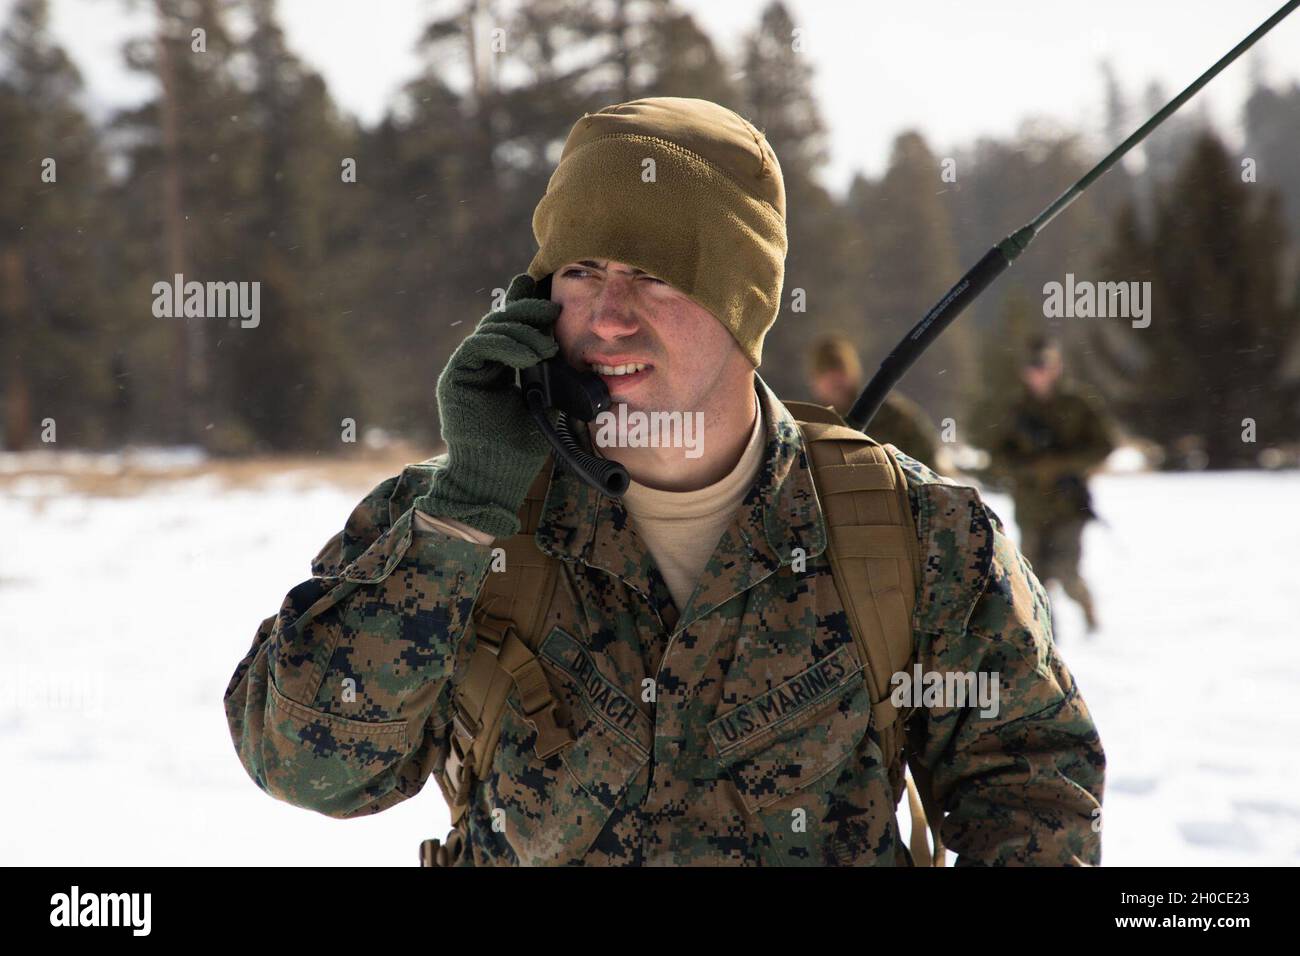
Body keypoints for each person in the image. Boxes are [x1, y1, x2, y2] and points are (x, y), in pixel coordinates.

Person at [224, 97, 1104, 866]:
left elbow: (1031, 778)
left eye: (653, 275)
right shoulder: (450, 519)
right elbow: (306, 767)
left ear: (743, 306)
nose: (609, 315)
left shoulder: (917, 534)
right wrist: (466, 511)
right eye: (580, 272)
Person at [983, 338, 1115, 633]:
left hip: (1069, 504)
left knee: (1067, 574)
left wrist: (1063, 465)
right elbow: (996, 456)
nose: (1039, 373)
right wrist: (1028, 468)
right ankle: (1046, 636)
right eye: (1033, 367)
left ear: (1057, 367)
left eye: (1044, 366)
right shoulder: (1014, 409)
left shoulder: (1078, 403)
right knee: (1033, 579)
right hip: (1031, 506)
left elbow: (1104, 445)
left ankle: (1090, 617)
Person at [806, 333, 942, 471]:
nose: (834, 378)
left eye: (839, 368)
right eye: (825, 370)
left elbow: (927, 462)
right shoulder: (806, 424)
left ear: (853, 371)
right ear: (814, 380)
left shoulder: (888, 413)